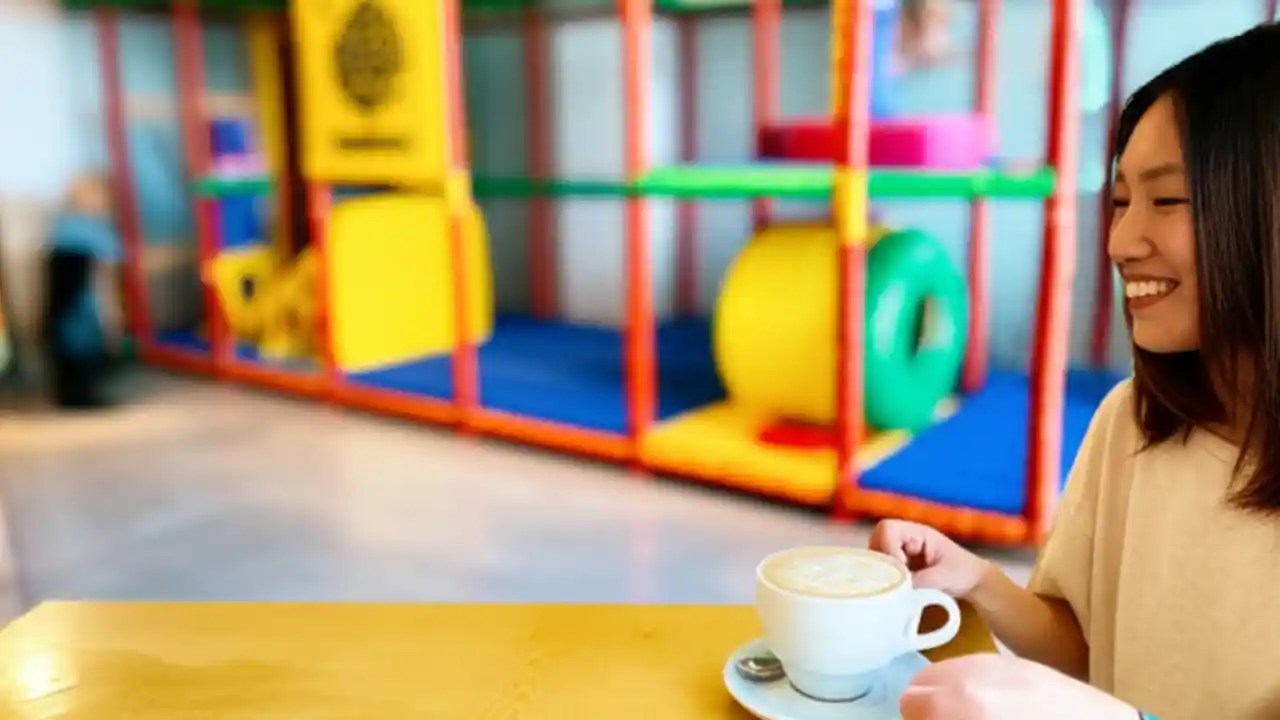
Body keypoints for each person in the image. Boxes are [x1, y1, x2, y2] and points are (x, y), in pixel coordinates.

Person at [872, 23, 1280, 720]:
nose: (1121, 241)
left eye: (1168, 200)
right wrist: (977, 580)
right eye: (1120, 202)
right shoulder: (1133, 420)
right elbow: (1087, 646)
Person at [42, 173, 123, 409]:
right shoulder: (93, 230)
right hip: (80, 293)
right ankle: (81, 394)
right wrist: (113, 315)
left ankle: (72, 393)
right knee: (81, 344)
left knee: (69, 341)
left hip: (67, 294)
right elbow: (108, 266)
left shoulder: (62, 225)